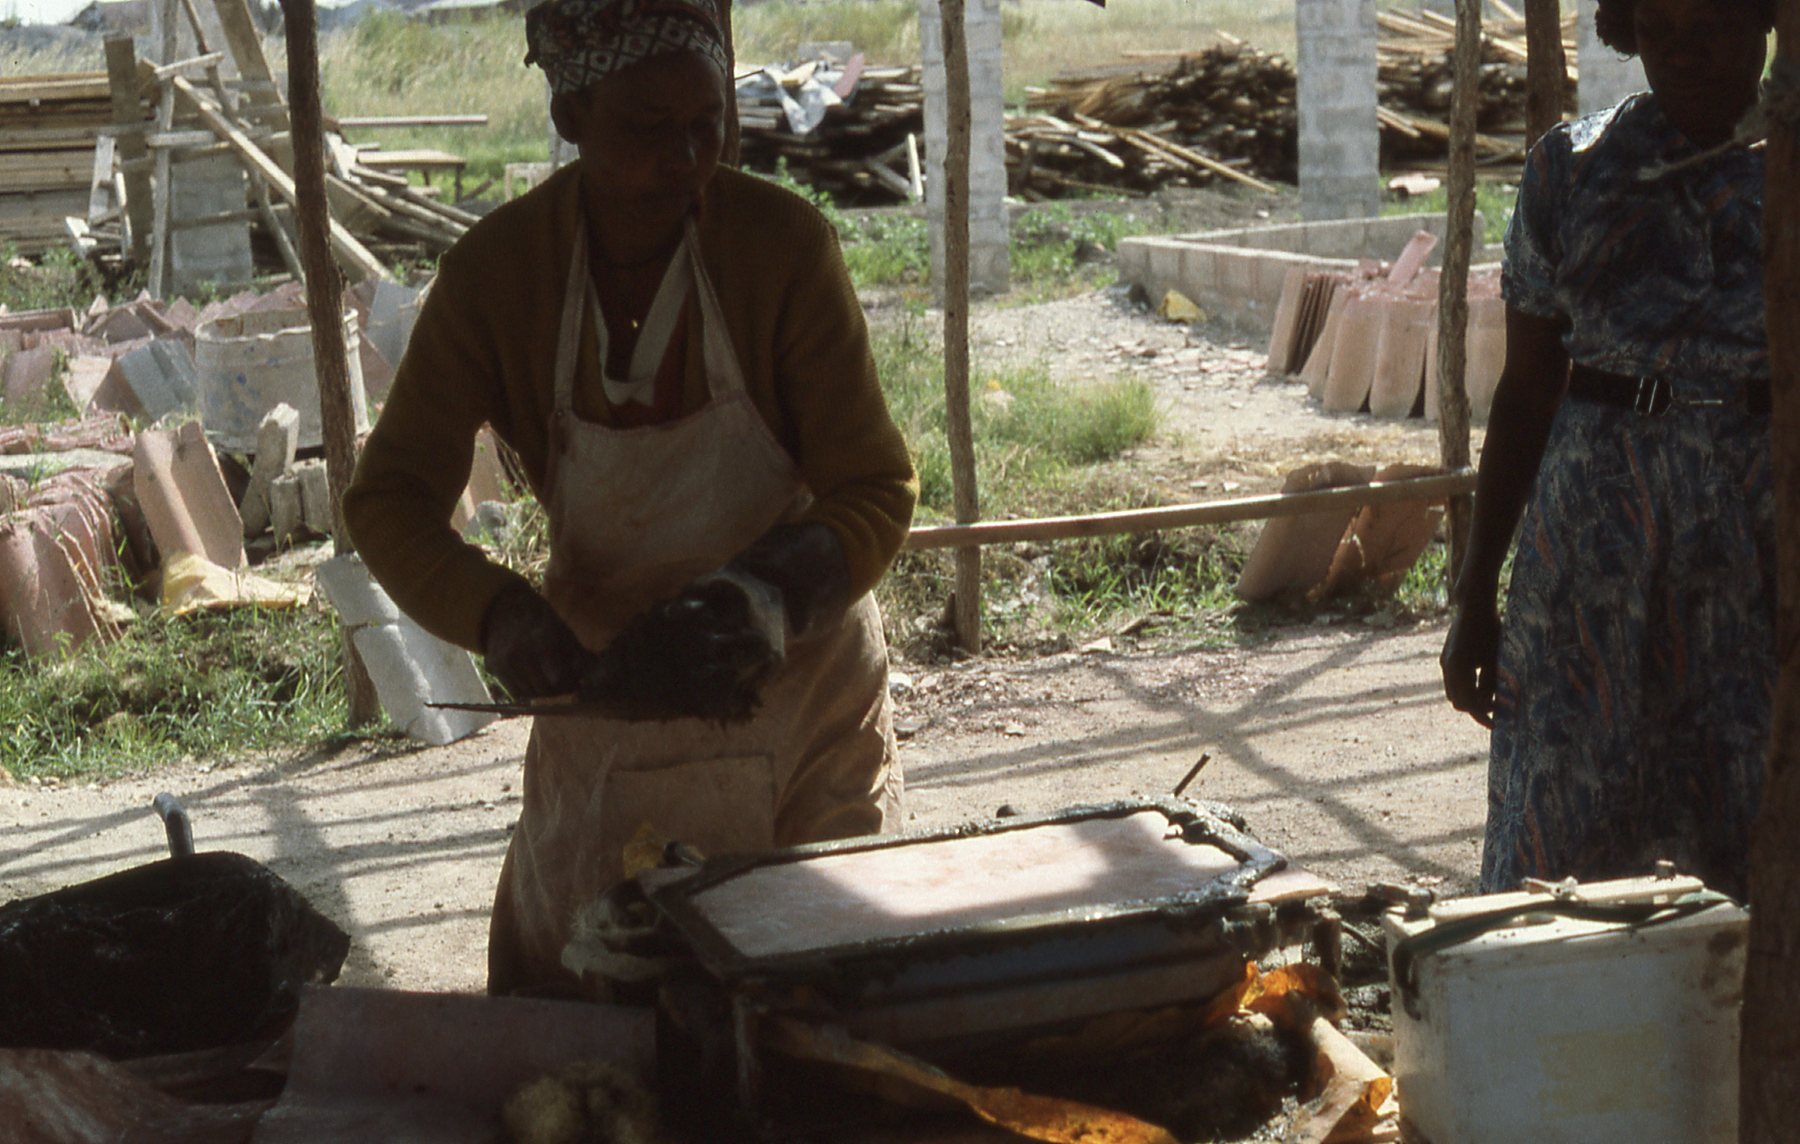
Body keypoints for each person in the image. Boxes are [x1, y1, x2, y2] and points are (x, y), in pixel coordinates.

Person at [342, 0, 918, 996]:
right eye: (648, 129)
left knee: (825, 1006)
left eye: (707, 124)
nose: (686, 158)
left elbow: (875, 486)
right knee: (600, 1012)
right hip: (607, 698)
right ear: (570, 115)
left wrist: (762, 598)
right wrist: (502, 615)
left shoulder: (783, 249)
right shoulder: (497, 276)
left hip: (800, 694)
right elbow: (388, 499)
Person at [1440, 0, 1775, 901]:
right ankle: (1560, 1022)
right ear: (1632, 38)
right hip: (1593, 550)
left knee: (1749, 804)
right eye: (1665, 32)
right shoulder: (1572, 170)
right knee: (1568, 806)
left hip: (1758, 544)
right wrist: (1476, 595)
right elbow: (1524, 393)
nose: (1690, 53)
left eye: (1713, 26)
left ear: (1767, 27)